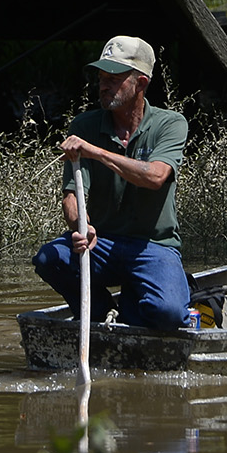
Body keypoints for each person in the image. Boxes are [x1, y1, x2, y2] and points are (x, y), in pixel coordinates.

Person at [30, 35, 191, 331]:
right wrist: (82, 225)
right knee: (48, 258)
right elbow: (72, 195)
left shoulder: (171, 123)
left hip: (153, 246)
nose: (103, 85)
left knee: (167, 313)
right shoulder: (85, 125)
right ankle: (100, 312)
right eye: (102, 77)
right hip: (102, 243)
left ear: (140, 84)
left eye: (114, 79)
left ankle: (137, 299)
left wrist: (96, 152)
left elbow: (155, 176)